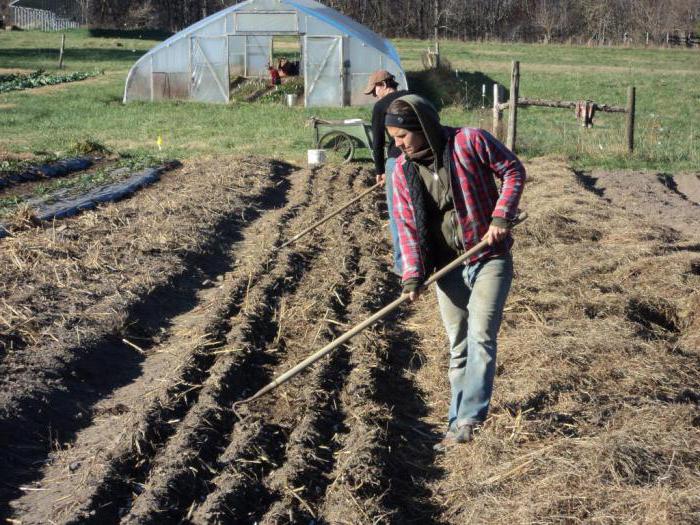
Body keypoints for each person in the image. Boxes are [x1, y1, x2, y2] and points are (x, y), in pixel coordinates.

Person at [385, 94, 525, 450]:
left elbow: (512, 170)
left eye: (402, 136)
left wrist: (500, 216)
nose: (398, 145)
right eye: (394, 138)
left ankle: (469, 420)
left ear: (422, 127)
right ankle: (454, 421)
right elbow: (406, 225)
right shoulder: (402, 170)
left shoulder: (469, 141)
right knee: (458, 345)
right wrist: (413, 275)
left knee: (481, 335)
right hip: (446, 266)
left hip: (487, 256)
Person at [363, 70, 410, 276]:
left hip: (397, 160)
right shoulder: (413, 98)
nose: (375, 95)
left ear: (382, 84)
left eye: (374, 91)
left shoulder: (382, 106)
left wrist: (380, 170)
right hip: (425, 158)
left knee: (398, 213)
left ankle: (402, 265)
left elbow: (378, 142)